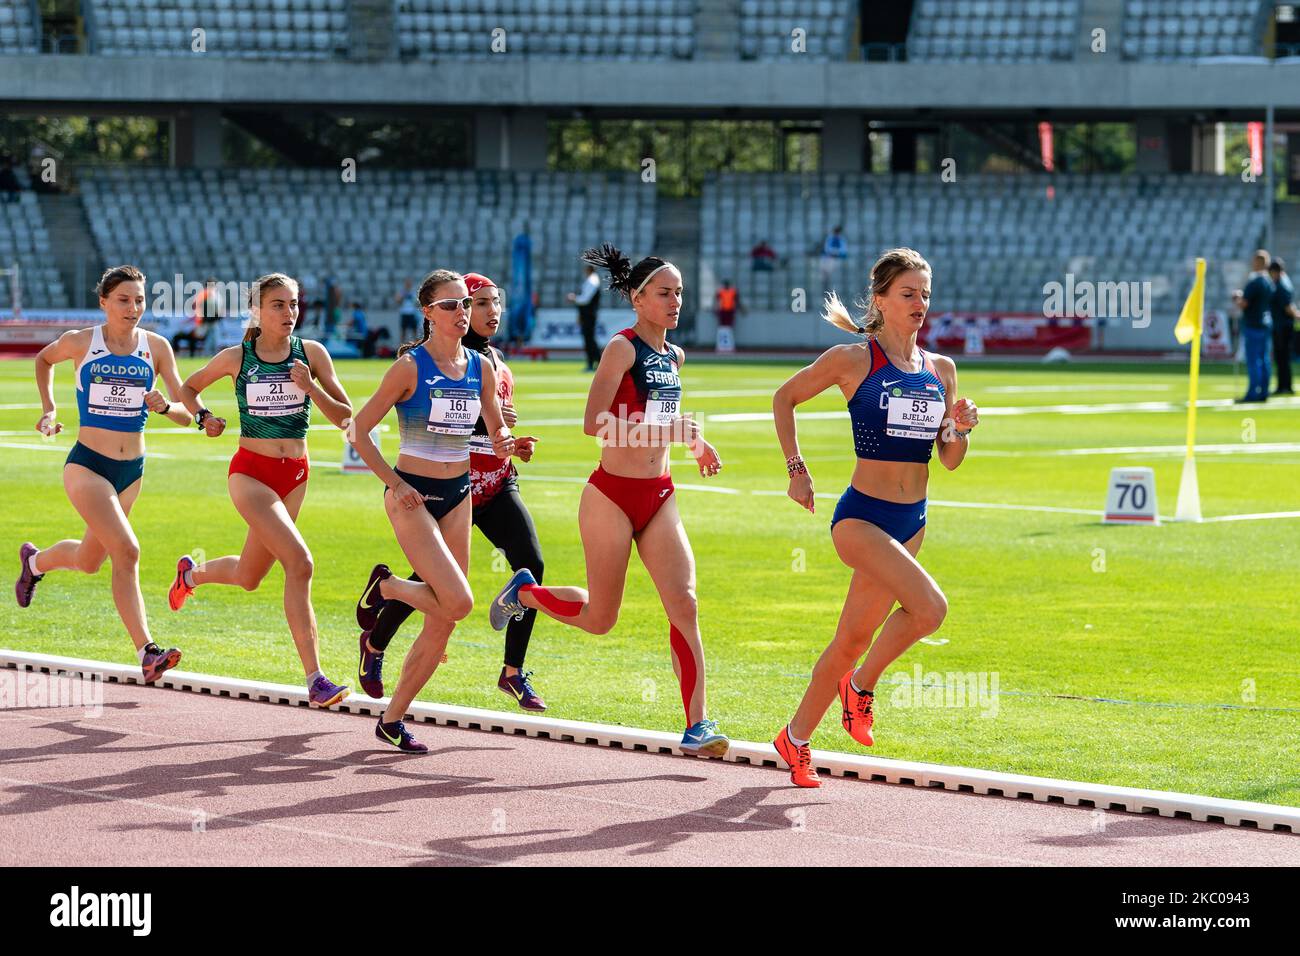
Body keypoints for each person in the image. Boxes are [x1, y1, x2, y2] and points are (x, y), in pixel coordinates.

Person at [486, 243, 731, 758]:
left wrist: (695, 441)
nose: (676, 301)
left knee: (684, 603)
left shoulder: (674, 355)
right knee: (601, 618)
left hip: (659, 495)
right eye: (665, 293)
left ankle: (698, 725)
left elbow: (667, 422)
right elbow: (592, 422)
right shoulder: (622, 348)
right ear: (638, 299)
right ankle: (526, 593)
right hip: (611, 496)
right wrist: (668, 428)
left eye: (680, 293)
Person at [770, 248, 980, 788]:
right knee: (931, 609)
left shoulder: (941, 369)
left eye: (926, 295)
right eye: (908, 294)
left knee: (849, 640)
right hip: (861, 519)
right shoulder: (853, 359)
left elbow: (949, 460)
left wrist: (960, 428)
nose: (920, 304)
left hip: (913, 520)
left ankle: (793, 739)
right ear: (881, 300)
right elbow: (784, 397)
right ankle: (860, 688)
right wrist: (797, 469)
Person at [356, 273, 546, 711]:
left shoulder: (484, 365)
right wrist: (395, 482)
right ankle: (386, 594)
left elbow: (496, 430)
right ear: (428, 312)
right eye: (455, 305)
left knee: (451, 609)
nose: (465, 312)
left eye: (468, 304)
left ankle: (394, 716)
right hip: (415, 493)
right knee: (454, 599)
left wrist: (510, 443)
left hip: (466, 489)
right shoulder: (410, 366)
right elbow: (360, 430)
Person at [169, 273, 355, 708]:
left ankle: (190, 575)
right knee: (300, 563)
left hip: (295, 475)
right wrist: (204, 418)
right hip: (251, 474)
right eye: (278, 305)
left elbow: (347, 415)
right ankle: (316, 678)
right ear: (257, 310)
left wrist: (310, 387)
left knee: (249, 577)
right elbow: (189, 386)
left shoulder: (312, 353)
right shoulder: (238, 357)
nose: (289, 313)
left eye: (293, 305)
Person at [15, 265, 192, 682]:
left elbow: (187, 414)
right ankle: (147, 651)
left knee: (89, 560)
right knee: (127, 551)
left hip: (132, 471)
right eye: (123, 300)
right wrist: (49, 408)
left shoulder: (157, 347)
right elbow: (44, 359)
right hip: (87, 466)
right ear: (104, 303)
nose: (133, 308)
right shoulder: (82, 342)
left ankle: (35, 562)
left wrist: (165, 406)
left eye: (139, 300)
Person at [1233, 249, 1275, 403]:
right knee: (1264, 359)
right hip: (1266, 323)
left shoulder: (1254, 281)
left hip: (1253, 324)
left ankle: (1253, 393)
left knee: (1253, 360)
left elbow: (1244, 303)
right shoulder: (1269, 281)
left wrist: (1237, 299)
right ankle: (1264, 391)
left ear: (1258, 262)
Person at [1268, 258, 1296, 396]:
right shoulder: (1283, 283)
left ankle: (1284, 386)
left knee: (1282, 357)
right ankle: (1284, 385)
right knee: (1282, 358)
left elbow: (1287, 307)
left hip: (1282, 327)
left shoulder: (1281, 285)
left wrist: (1296, 314)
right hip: (1282, 326)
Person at [567, 264, 602, 371]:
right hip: (587, 314)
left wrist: (574, 298)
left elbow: (585, 300)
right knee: (589, 339)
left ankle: (597, 362)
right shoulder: (592, 280)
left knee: (589, 339)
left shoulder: (592, 281)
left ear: (588, 269)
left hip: (589, 315)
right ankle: (594, 362)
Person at [714, 279, 742, 353]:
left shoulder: (732, 291)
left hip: (730, 311)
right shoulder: (721, 291)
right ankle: (722, 346)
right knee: (722, 327)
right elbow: (717, 301)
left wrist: (740, 308)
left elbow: (737, 300)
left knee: (729, 328)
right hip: (723, 311)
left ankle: (728, 345)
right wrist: (716, 309)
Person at [819, 225, 849, 290]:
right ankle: (825, 283)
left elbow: (844, 250)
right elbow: (827, 249)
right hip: (828, 258)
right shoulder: (830, 238)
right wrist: (833, 252)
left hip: (836, 259)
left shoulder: (841, 239)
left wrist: (836, 253)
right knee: (825, 271)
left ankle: (830, 285)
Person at [395, 277, 419, 343]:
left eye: (409, 283)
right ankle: (401, 347)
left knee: (414, 331)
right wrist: (403, 296)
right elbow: (397, 301)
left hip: (412, 313)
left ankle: (416, 346)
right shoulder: (401, 292)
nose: (408, 285)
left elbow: (418, 303)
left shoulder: (414, 292)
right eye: (407, 283)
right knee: (403, 332)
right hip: (404, 313)